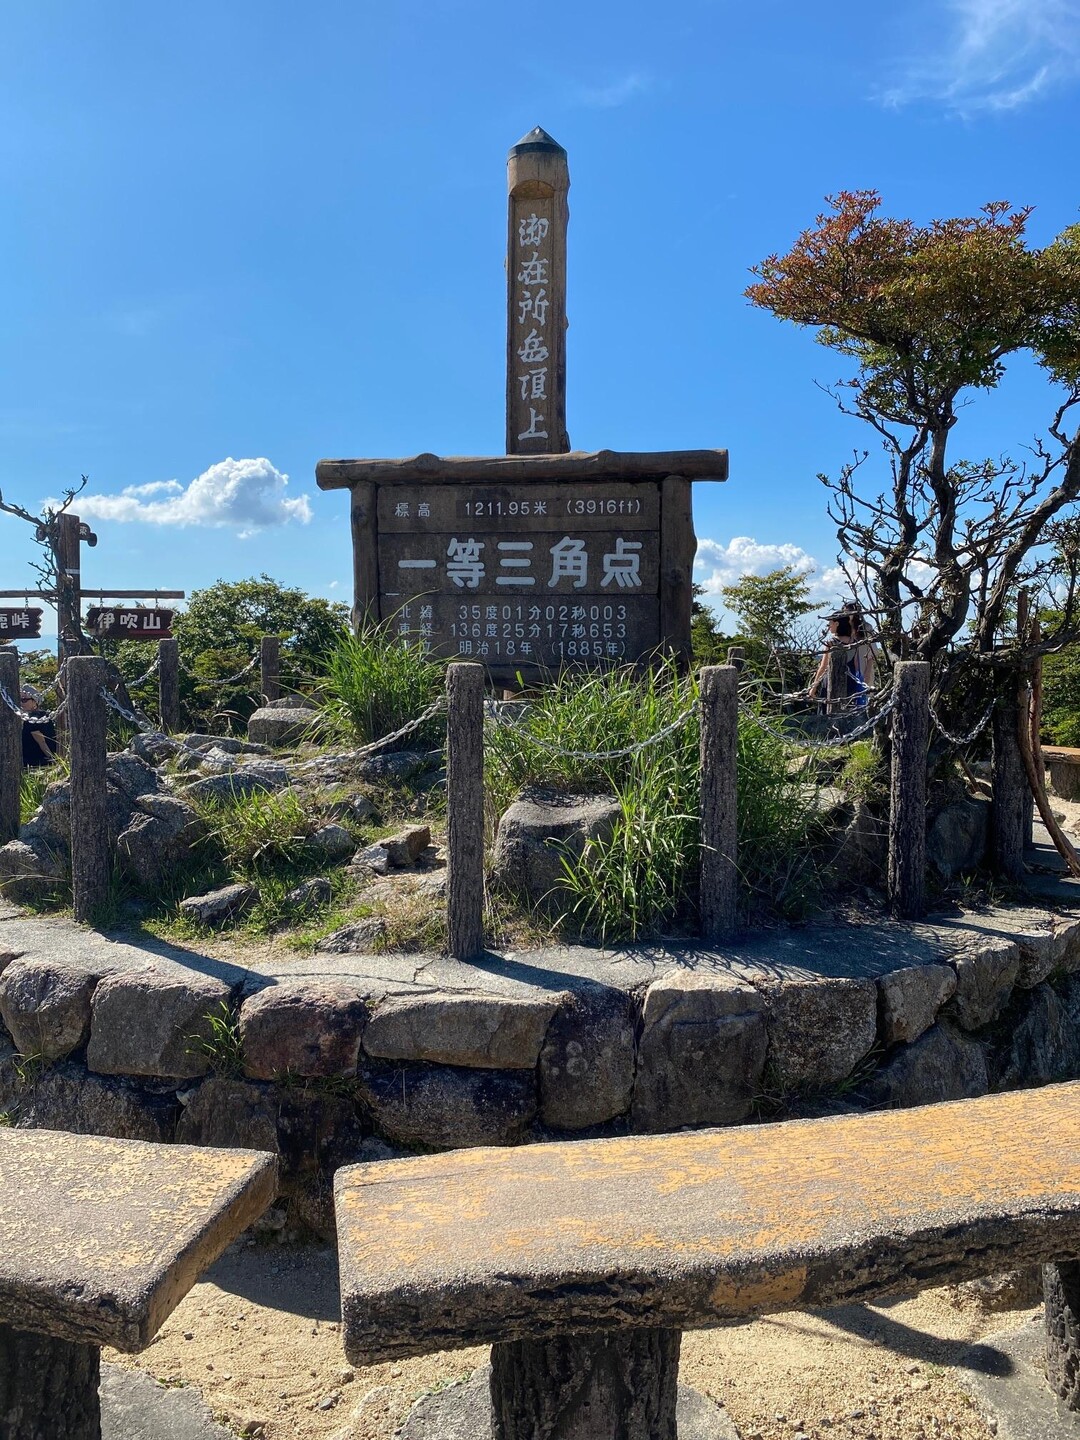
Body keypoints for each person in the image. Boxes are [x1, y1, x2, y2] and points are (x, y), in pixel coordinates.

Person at [809, 603, 876, 708]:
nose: (829, 626)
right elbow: (857, 665)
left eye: (830, 623)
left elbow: (823, 666)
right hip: (851, 683)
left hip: (831, 683)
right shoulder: (854, 642)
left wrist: (813, 687)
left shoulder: (831, 643)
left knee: (828, 711)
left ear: (837, 624)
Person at [20, 689, 58, 767]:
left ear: (35, 702)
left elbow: (42, 742)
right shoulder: (43, 715)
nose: (21, 703)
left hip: (35, 761)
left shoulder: (34, 718)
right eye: (20, 699)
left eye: (24, 700)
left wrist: (52, 760)